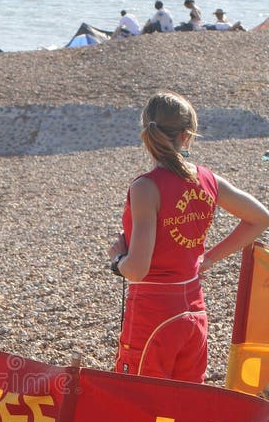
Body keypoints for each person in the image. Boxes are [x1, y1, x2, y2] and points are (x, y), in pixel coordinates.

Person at [107, 91, 269, 383]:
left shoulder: (146, 187)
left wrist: (118, 260)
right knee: (187, 404)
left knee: (139, 401)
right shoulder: (207, 179)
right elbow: (260, 218)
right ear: (187, 136)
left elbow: (138, 269)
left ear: (146, 132)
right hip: (194, 311)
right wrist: (207, 259)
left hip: (152, 313)